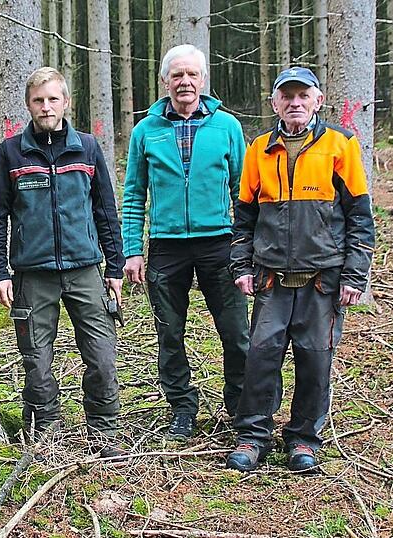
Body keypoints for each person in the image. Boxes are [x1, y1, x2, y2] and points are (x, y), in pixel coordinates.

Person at [226, 66, 375, 472]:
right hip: (270, 278)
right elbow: (244, 216)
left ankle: (304, 440)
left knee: (315, 360)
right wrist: (241, 265)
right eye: (286, 96)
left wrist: (354, 274)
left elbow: (360, 216)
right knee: (260, 357)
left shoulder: (341, 145)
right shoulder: (258, 148)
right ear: (274, 102)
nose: (294, 103)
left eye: (302, 96)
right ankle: (252, 436)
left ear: (317, 101)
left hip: (322, 279)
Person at [0, 67, 126, 457]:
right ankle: (47, 431)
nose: (45, 107)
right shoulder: (11, 152)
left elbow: (105, 212)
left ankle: (106, 432)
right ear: (28, 105)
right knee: (37, 360)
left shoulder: (88, 148)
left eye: (52, 99)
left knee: (101, 356)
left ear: (66, 102)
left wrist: (114, 269)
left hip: (85, 270)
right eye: (38, 100)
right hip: (33, 274)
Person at [121, 44, 250, 443]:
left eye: (192, 74)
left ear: (203, 79)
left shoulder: (226, 126)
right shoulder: (146, 131)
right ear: (165, 82)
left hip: (219, 243)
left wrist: (247, 246)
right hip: (166, 246)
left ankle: (242, 406)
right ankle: (181, 407)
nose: (185, 82)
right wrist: (132, 250)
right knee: (170, 334)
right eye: (177, 75)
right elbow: (133, 194)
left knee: (235, 331)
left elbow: (244, 191)